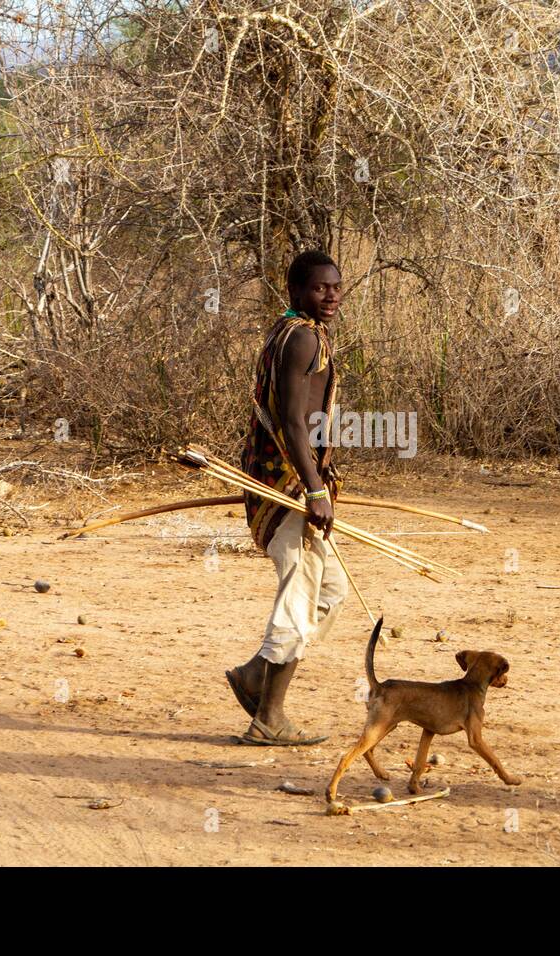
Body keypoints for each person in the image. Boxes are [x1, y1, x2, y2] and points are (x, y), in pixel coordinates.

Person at [225, 250, 348, 745]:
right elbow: (294, 422)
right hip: (287, 487)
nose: (332, 295)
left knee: (329, 592)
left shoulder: (298, 334)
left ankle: (256, 674)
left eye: (337, 286)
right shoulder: (298, 338)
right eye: (321, 288)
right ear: (295, 292)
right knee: (299, 598)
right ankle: (269, 717)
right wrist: (314, 488)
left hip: (296, 482)